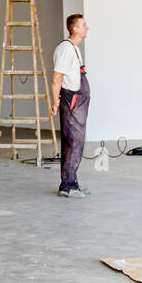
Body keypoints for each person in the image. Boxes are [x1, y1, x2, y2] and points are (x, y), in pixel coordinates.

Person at [51, 13, 90, 198]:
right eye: (83, 25)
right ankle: (67, 186)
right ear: (75, 29)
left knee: (76, 143)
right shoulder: (65, 49)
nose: (87, 27)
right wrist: (55, 101)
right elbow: (56, 78)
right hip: (71, 101)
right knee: (72, 142)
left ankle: (72, 182)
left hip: (78, 101)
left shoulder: (74, 48)